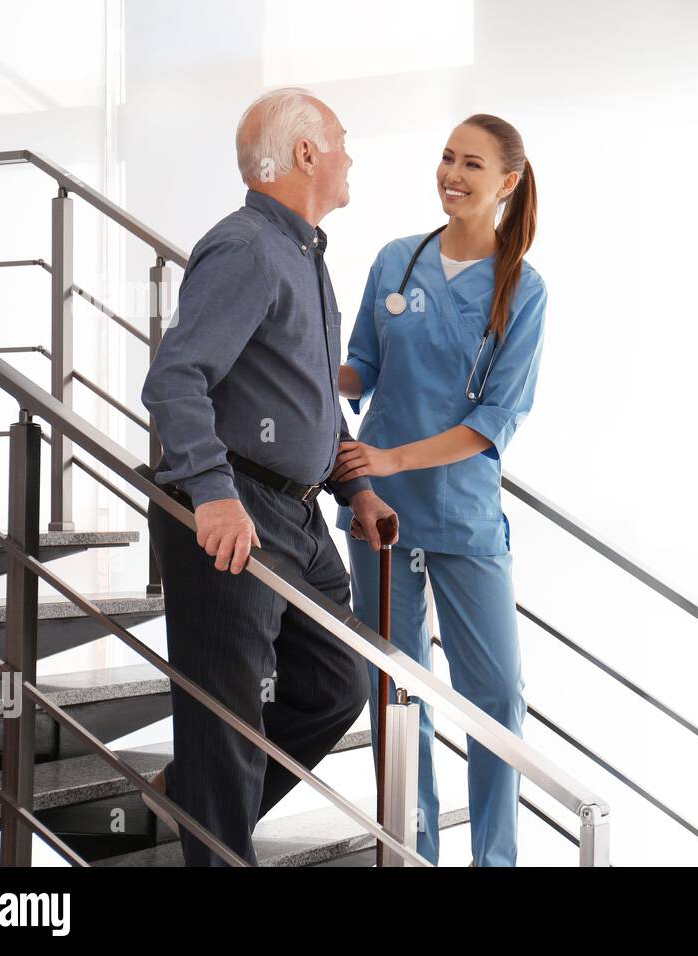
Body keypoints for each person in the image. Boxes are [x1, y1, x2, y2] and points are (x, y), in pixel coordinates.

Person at [139, 86, 399, 866]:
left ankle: (197, 802)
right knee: (225, 721)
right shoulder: (246, 248)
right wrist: (213, 496)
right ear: (307, 154)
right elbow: (175, 380)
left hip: (301, 517)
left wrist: (356, 487)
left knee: (337, 688)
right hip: (234, 508)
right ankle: (213, 831)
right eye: (343, 142)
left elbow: (308, 397)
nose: (351, 155)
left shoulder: (306, 255)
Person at [332, 114, 545, 867]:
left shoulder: (523, 287)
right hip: (378, 512)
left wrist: (392, 460)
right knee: (394, 692)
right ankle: (411, 847)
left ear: (508, 184)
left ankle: (495, 859)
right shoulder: (396, 260)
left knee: (496, 698)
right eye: (448, 158)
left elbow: (495, 420)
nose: (452, 174)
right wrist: (298, 364)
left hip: (458, 508)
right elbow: (359, 366)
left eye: (473, 166)